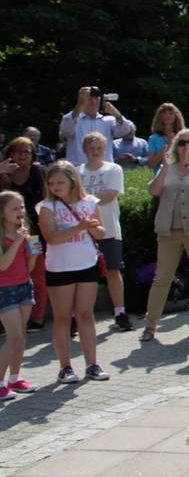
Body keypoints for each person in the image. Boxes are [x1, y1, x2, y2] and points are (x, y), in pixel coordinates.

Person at [36, 161, 110, 383]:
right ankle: (65, 367)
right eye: (51, 182)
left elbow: (100, 233)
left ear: (72, 181)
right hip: (59, 268)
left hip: (86, 264)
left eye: (60, 181)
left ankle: (92, 365)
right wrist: (80, 227)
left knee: (86, 314)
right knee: (62, 317)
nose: (55, 185)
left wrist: (94, 228)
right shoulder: (47, 206)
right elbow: (52, 238)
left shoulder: (89, 202)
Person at [141, 129, 189, 342]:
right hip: (169, 230)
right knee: (161, 278)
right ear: (175, 146)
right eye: (182, 143)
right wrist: (166, 166)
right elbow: (153, 191)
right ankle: (150, 325)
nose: (186, 146)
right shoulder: (168, 168)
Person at [80, 133, 132, 332]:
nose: (95, 152)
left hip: (109, 227)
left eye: (99, 148)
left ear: (105, 150)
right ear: (85, 150)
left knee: (113, 271)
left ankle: (120, 312)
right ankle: (80, 315)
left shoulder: (114, 169)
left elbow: (110, 195)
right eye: (91, 149)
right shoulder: (76, 171)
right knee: (83, 275)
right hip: (83, 232)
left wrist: (85, 200)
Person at [0, 138, 48, 331]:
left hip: (33, 234)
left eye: (26, 152)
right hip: (4, 234)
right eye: (17, 151)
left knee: (37, 273)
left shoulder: (38, 172)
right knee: (5, 272)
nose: (22, 155)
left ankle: (37, 318)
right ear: (9, 154)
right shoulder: (2, 175)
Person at [0, 191, 37, 397]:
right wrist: (17, 242)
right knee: (13, 336)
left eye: (21, 207)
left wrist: (33, 253)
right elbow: (3, 265)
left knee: (20, 336)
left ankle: (14, 379)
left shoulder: (24, 232)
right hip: (4, 290)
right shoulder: (3, 236)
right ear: (2, 213)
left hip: (24, 286)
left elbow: (29, 267)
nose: (20, 212)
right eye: (15, 208)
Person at [59, 86, 131, 165]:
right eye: (89, 99)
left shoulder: (109, 121)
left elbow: (125, 130)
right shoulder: (74, 119)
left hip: (103, 170)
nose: (93, 101)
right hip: (79, 170)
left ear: (100, 100)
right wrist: (79, 105)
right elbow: (66, 131)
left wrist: (115, 113)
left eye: (96, 98)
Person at [147, 103, 185, 173]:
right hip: (161, 178)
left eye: (171, 113)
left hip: (181, 176)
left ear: (176, 116)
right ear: (159, 116)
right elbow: (151, 165)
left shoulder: (183, 136)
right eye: (164, 113)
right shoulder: (153, 139)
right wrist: (167, 146)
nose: (168, 116)